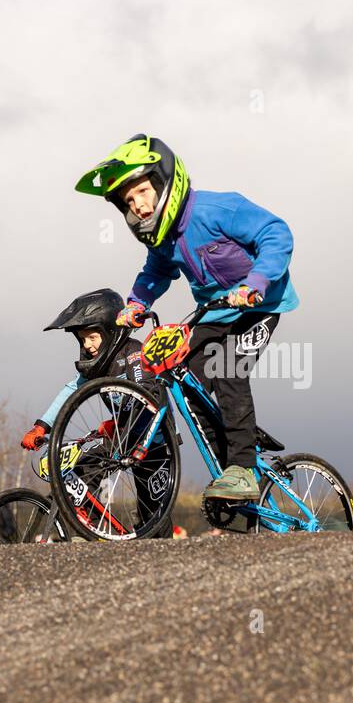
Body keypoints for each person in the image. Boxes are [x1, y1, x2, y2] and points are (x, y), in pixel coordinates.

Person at [75, 134, 297, 501]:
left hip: (259, 306)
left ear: (165, 181)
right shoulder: (162, 238)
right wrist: (136, 303)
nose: (138, 205)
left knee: (228, 368)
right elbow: (155, 272)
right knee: (187, 381)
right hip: (214, 313)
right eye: (129, 201)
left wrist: (257, 281)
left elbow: (276, 233)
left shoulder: (216, 210)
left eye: (142, 192)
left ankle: (243, 469)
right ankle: (233, 471)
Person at [19, 288, 172, 536]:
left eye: (92, 338)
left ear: (109, 332)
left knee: (154, 515)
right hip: (120, 440)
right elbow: (71, 391)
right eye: (82, 339)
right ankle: (97, 533)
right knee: (79, 473)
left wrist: (121, 425)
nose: (87, 345)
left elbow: (147, 395)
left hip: (153, 443)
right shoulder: (97, 364)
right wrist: (41, 426)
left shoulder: (134, 353)